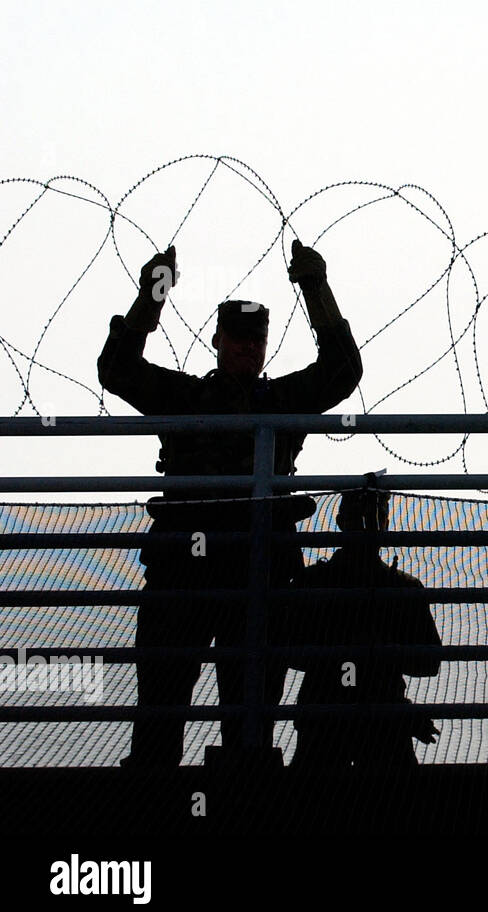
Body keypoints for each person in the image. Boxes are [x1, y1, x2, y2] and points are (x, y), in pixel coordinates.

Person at [98, 240, 363, 767]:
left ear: (265, 344)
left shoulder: (278, 400)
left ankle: (242, 802)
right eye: (238, 339)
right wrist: (152, 295)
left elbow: (342, 370)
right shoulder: (185, 397)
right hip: (188, 569)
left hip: (254, 569)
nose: (247, 348)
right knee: (162, 701)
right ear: (218, 340)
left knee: (250, 709)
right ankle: (156, 797)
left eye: (256, 340)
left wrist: (316, 287)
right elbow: (117, 369)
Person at [280, 481, 442, 769]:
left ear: (340, 521)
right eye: (366, 515)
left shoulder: (314, 582)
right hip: (382, 715)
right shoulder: (402, 587)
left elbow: (289, 650)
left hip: (325, 714)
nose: (369, 523)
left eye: (374, 515)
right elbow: (428, 662)